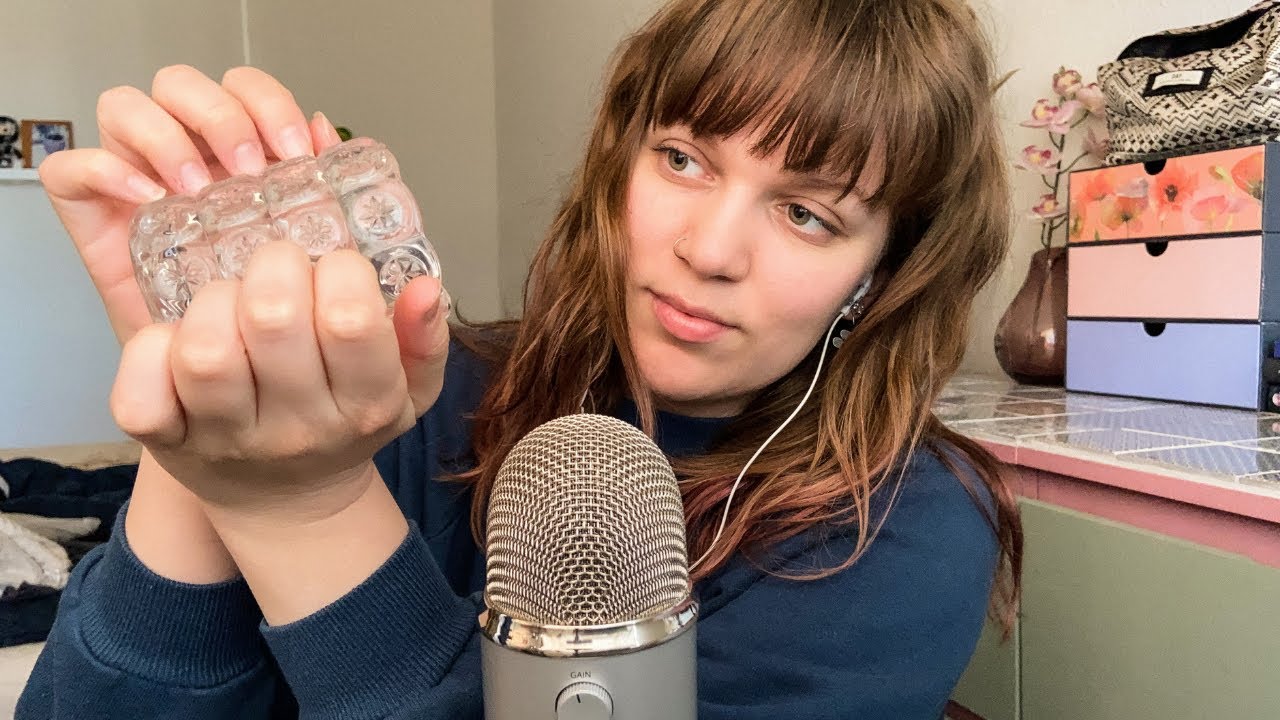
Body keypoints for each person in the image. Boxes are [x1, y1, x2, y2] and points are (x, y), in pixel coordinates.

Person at [18, 0, 1022, 717]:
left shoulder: (905, 529)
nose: (709, 251)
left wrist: (308, 511)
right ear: (619, 159)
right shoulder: (421, 391)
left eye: (806, 214)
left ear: (881, 274)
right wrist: (193, 411)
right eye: (682, 158)